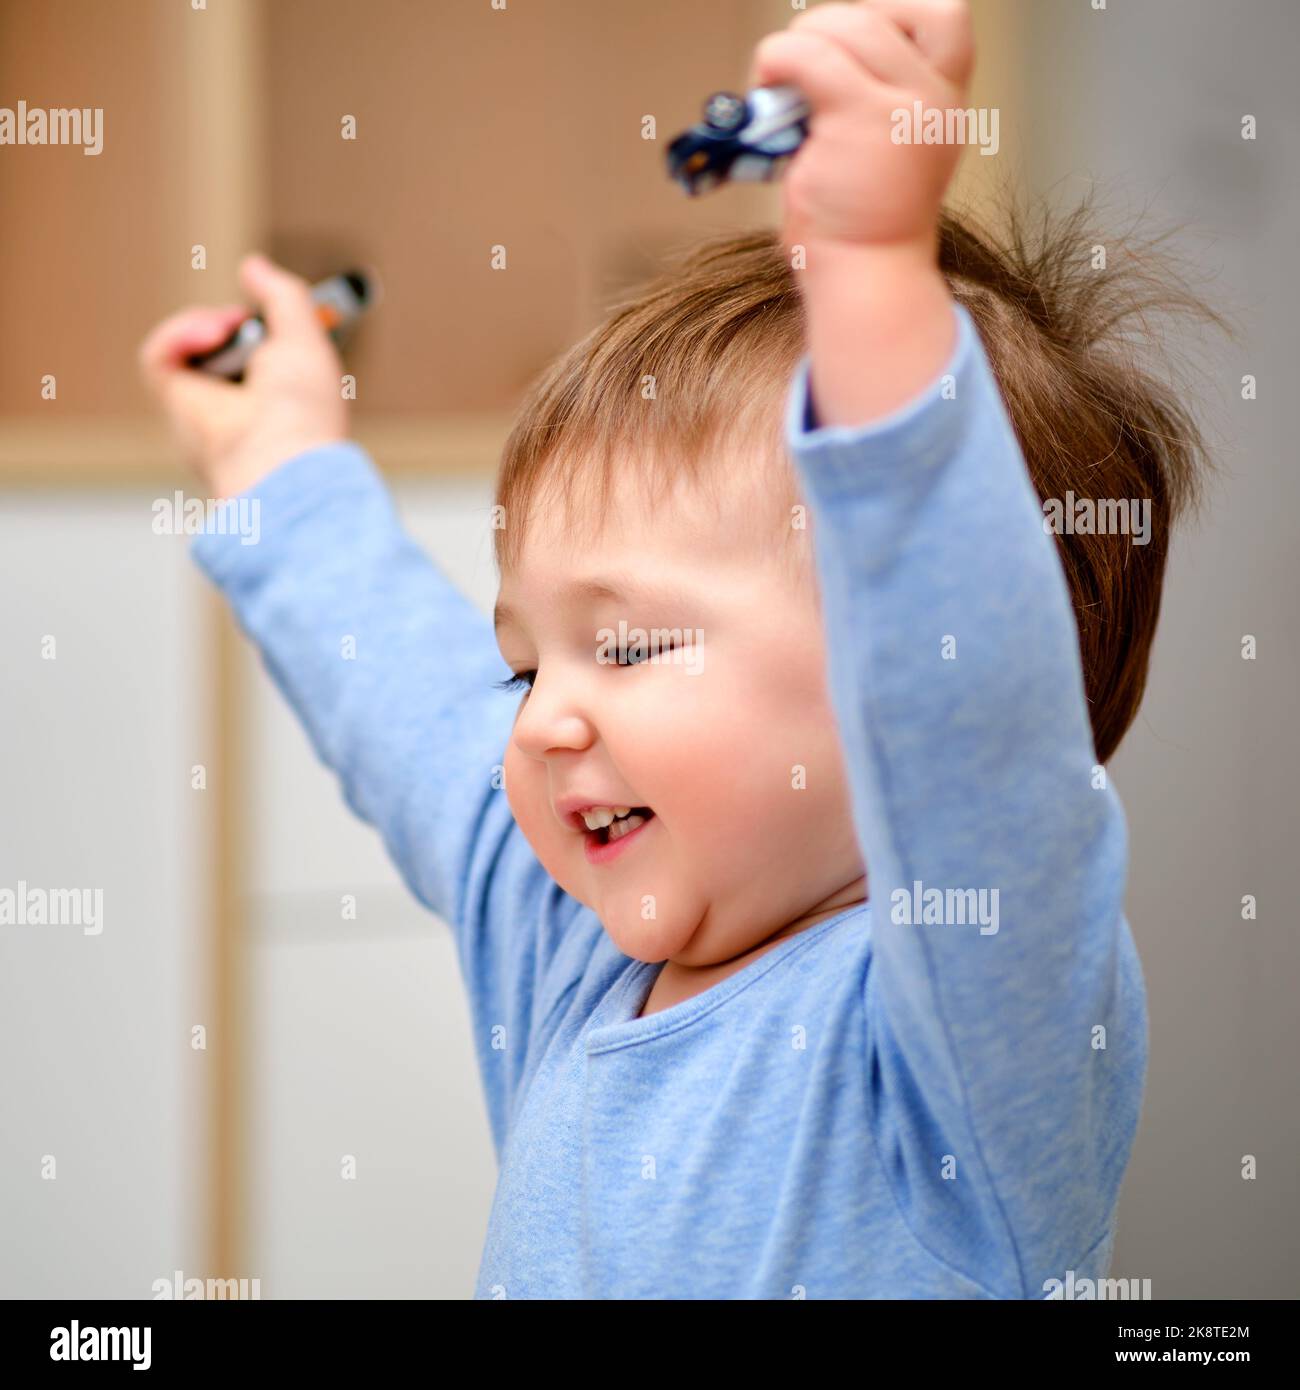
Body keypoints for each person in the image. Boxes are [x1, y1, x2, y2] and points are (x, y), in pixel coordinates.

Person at [140, 0, 1212, 1298]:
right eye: (529, 666)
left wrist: (874, 271)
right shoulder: (574, 944)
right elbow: (406, 696)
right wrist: (276, 455)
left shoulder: (977, 1019)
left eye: (630, 643)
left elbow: (971, 709)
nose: (539, 724)